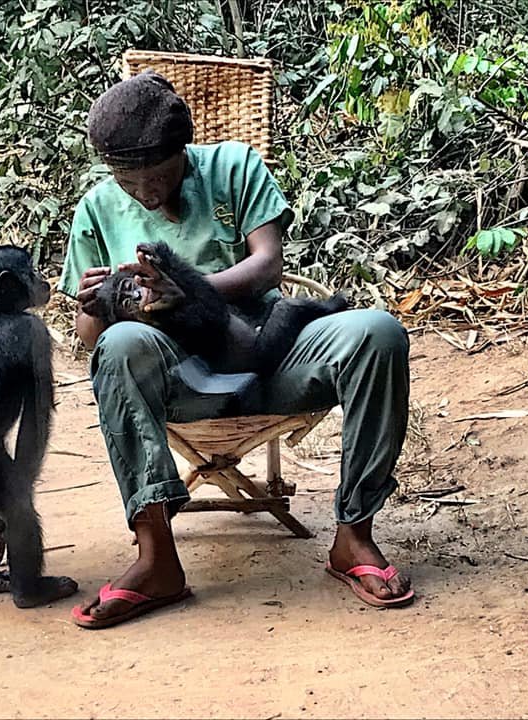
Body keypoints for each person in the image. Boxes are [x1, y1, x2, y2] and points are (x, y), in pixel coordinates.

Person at [58, 70, 413, 629]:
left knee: (377, 331)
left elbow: (267, 264)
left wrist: (187, 290)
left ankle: (354, 535)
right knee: (123, 341)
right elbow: (91, 341)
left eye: (160, 175)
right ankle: (156, 561)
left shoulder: (234, 166)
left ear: (184, 149)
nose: (147, 192)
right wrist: (98, 304)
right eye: (131, 182)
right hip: (177, 376)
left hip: (269, 352)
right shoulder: (97, 209)